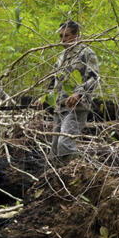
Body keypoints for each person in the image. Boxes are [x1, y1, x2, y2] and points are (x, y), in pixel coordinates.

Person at [49, 20, 99, 161]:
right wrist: (44, 98)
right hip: (60, 106)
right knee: (54, 148)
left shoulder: (86, 53)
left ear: (76, 35)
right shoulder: (61, 56)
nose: (63, 40)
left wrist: (78, 94)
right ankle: (57, 178)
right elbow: (54, 81)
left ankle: (81, 170)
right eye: (60, 37)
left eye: (66, 36)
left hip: (77, 107)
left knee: (64, 144)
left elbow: (94, 78)